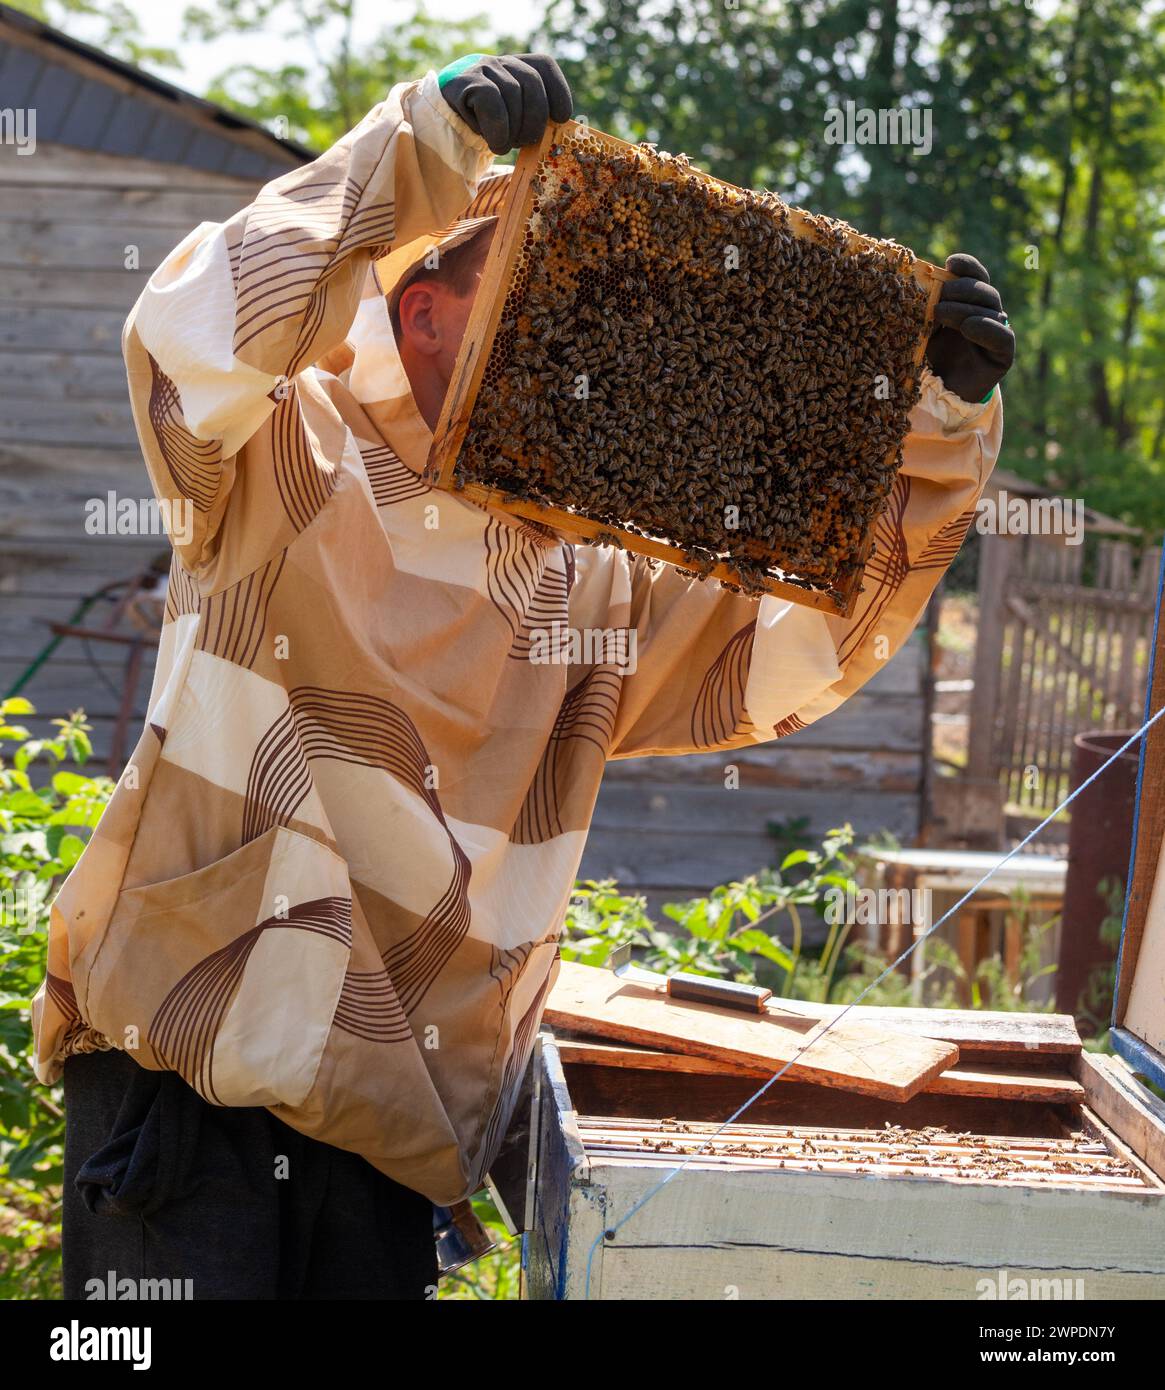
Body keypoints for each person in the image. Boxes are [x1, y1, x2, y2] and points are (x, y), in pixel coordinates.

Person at [31, 54, 1013, 1300]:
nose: (583, 329)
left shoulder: (592, 585)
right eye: (542, 285)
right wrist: (417, 146)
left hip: (387, 1130)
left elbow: (787, 655)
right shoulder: (287, 452)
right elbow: (184, 344)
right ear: (421, 307)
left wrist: (932, 426)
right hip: (191, 1085)